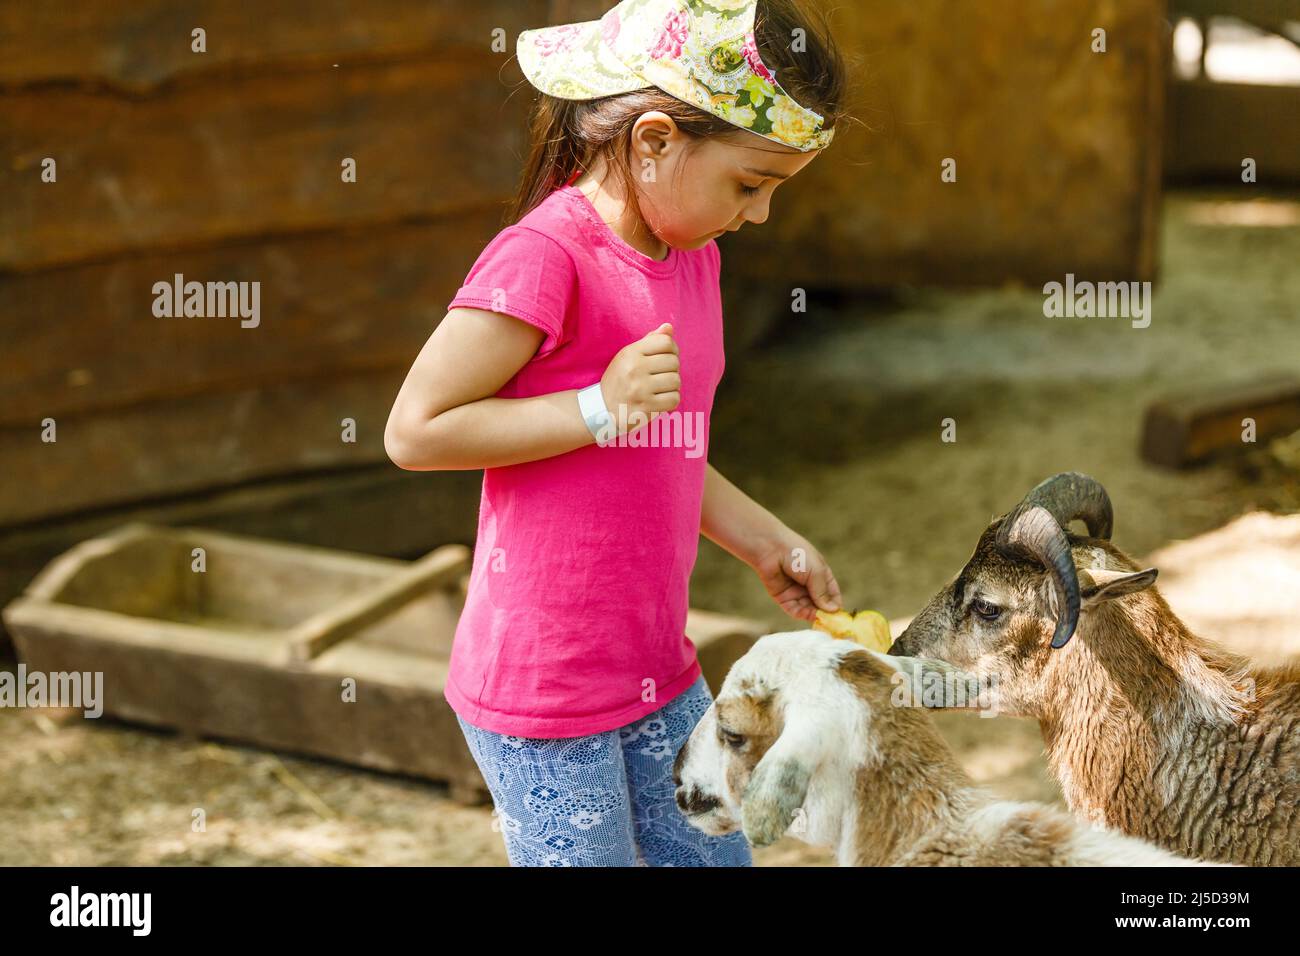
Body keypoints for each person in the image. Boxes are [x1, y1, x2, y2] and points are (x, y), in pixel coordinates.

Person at [385, 0, 848, 866]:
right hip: (545, 690)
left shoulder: (694, 256)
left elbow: (664, 447)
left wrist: (762, 541)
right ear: (654, 141)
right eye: (749, 185)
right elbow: (415, 430)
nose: (759, 216)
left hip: (656, 668)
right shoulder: (546, 256)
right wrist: (597, 406)